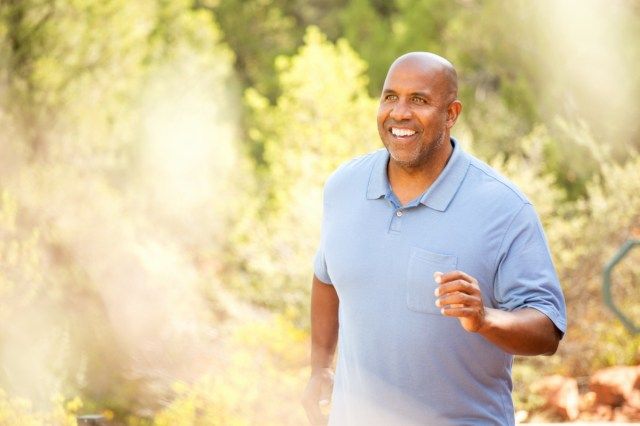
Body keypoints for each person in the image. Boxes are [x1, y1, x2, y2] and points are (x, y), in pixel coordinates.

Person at [301, 52, 567, 426]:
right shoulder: (343, 187)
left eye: (420, 100)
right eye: (390, 97)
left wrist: (484, 318)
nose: (400, 112)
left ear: (451, 114)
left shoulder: (503, 207)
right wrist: (320, 368)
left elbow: (547, 330)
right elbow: (326, 277)